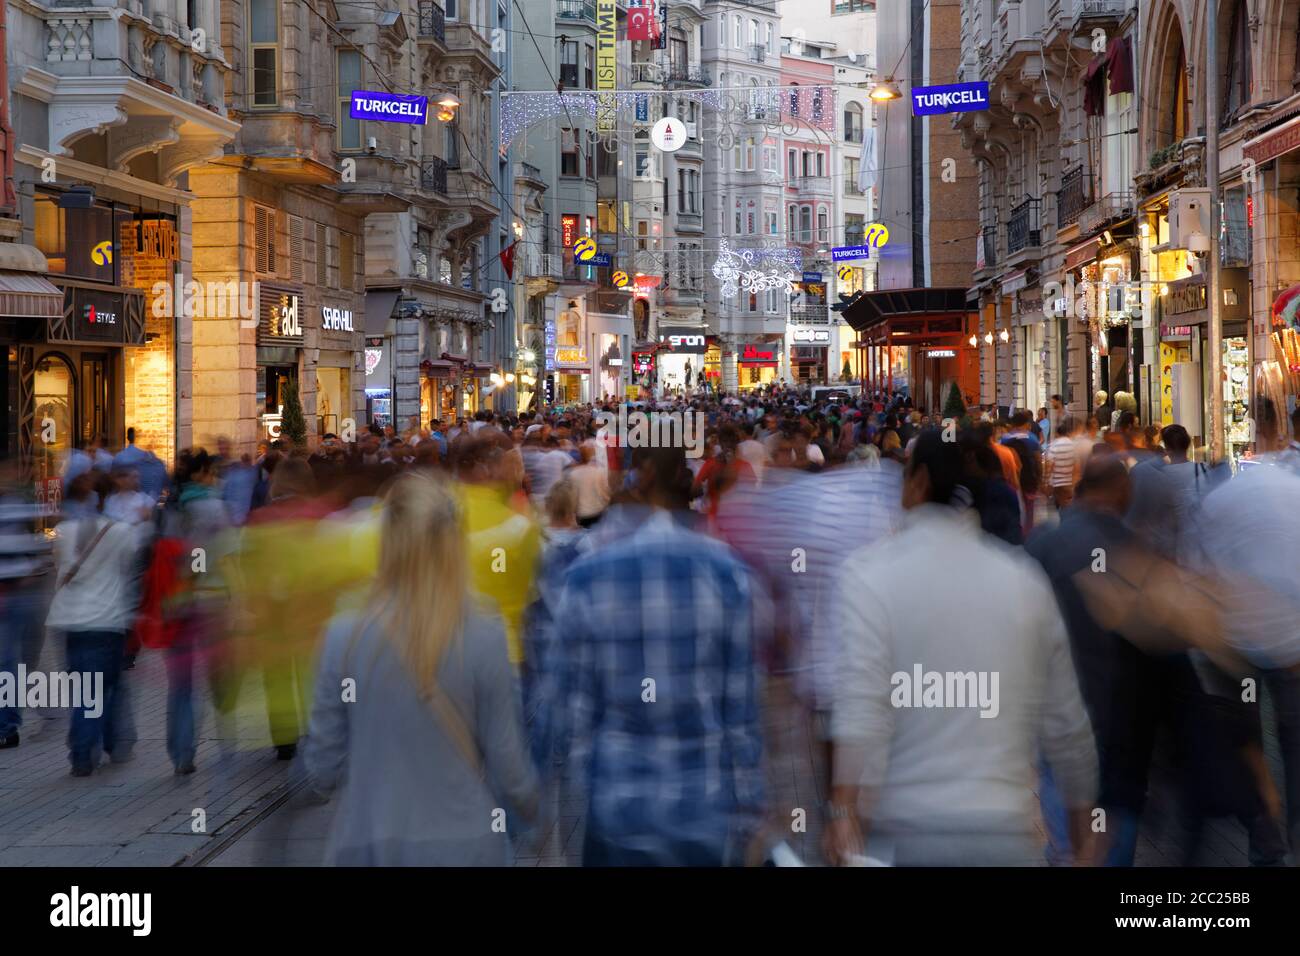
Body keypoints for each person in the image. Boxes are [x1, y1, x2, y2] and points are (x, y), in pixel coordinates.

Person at [824, 429, 1097, 866]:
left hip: (907, 834)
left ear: (919, 482)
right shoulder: (1021, 579)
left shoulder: (869, 575)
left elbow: (861, 706)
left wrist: (842, 810)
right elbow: (1065, 721)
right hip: (1004, 834)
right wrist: (1084, 827)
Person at [304, 472, 539, 864]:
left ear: (388, 540)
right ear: (454, 543)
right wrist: (533, 804)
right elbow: (508, 762)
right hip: (465, 843)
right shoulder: (484, 632)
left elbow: (322, 768)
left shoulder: (343, 635)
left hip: (369, 842)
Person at [551, 446, 766, 865]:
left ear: (641, 476)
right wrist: (750, 809)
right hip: (703, 809)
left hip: (617, 810)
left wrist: (586, 783)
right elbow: (740, 711)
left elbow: (572, 710)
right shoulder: (727, 574)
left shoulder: (585, 576)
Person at [46, 473, 142, 776]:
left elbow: (59, 566)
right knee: (105, 686)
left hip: (70, 620)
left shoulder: (62, 531)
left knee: (85, 688)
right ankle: (90, 749)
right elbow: (130, 568)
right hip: (107, 620)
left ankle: (89, 747)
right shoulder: (123, 532)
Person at [567, 442, 611, 528]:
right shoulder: (599, 472)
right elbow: (606, 493)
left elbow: (571, 498)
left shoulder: (573, 474)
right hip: (598, 510)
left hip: (581, 514)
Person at [1044, 416, 1082, 510]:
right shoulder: (1073, 445)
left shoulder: (1053, 446)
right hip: (1069, 484)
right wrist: (1074, 483)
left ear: (1057, 433)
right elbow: (1076, 468)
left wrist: (1046, 482)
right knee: (1067, 507)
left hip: (1057, 485)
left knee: (1058, 508)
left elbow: (1049, 466)